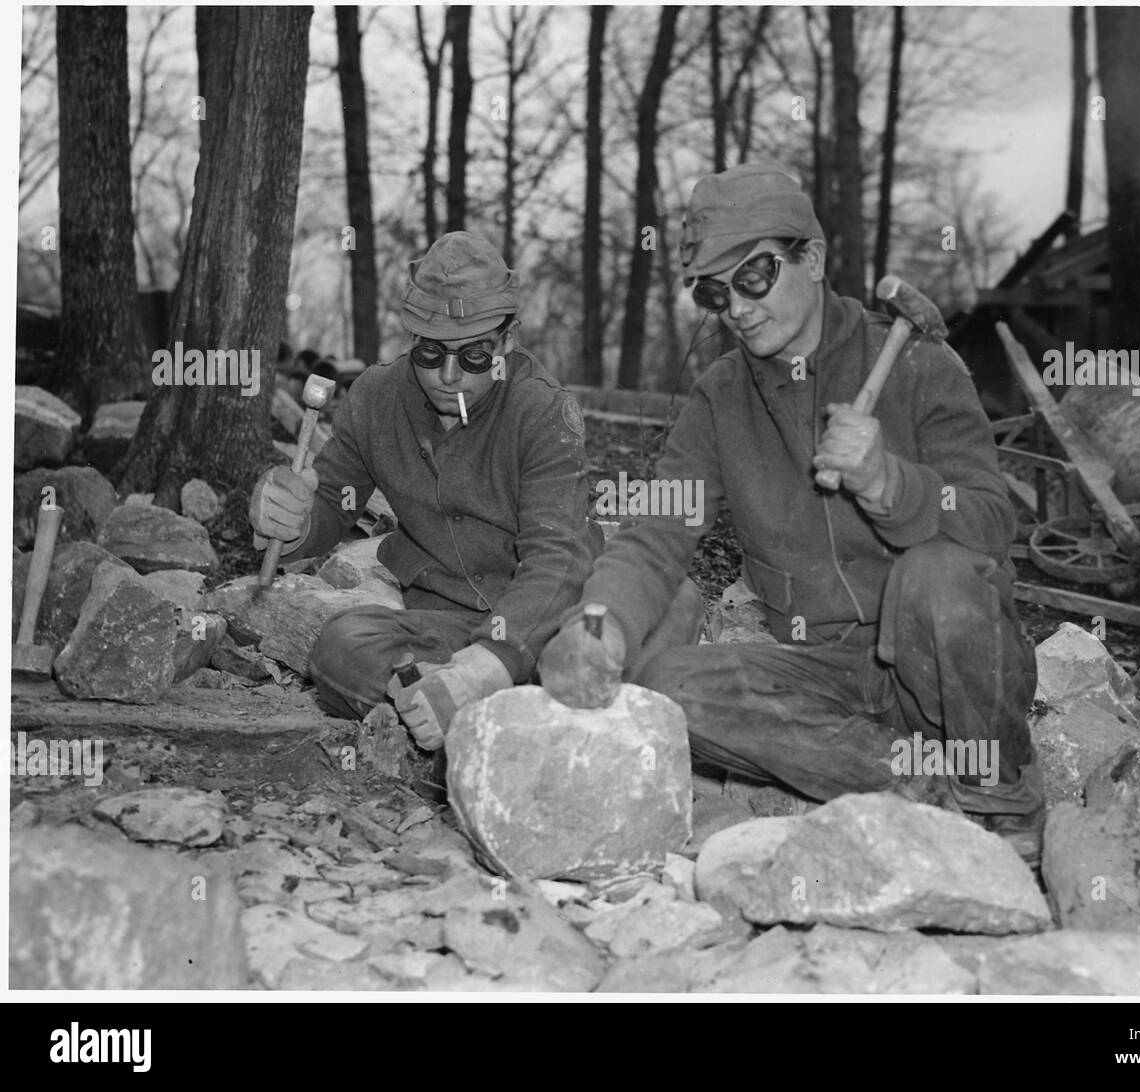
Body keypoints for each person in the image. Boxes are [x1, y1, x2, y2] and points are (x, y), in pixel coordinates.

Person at [539, 164, 1045, 864]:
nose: (736, 309)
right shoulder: (721, 399)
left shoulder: (923, 367)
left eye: (753, 277)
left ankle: (999, 792)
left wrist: (888, 483)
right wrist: (601, 625)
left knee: (938, 576)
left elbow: (991, 521)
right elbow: (656, 532)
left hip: (946, 672)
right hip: (822, 678)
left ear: (812, 258)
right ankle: (915, 787)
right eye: (713, 291)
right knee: (671, 686)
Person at [248, 232, 616, 746]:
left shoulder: (543, 412)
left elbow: (556, 559)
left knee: (626, 637)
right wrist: (290, 518)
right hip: (447, 625)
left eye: (473, 357)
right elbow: (331, 501)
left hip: (541, 617)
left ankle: (483, 700)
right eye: (430, 352)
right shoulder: (376, 398)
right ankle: (505, 714)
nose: (447, 376)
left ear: (508, 341)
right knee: (341, 648)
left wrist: (487, 666)